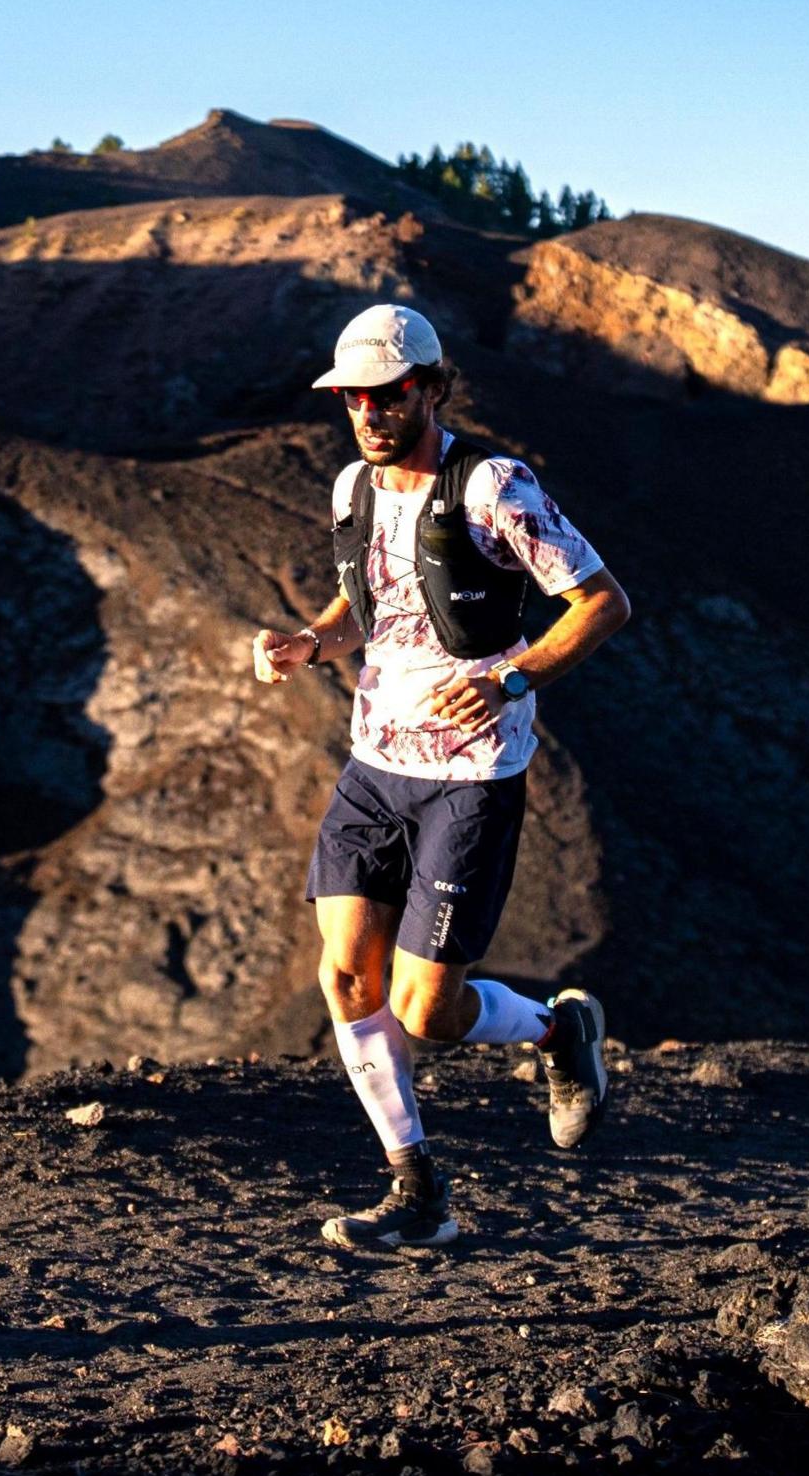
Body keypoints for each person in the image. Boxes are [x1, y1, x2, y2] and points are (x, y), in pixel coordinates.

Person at [254, 304, 631, 1249]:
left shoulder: (496, 486)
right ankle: (418, 1192)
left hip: (472, 777)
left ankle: (556, 1033)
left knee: (426, 1008)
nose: (370, 414)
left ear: (431, 389)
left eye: (387, 395)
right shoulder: (351, 486)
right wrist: (311, 641)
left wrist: (510, 678)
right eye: (353, 399)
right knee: (345, 978)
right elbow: (365, 603)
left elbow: (601, 602)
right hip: (374, 765)